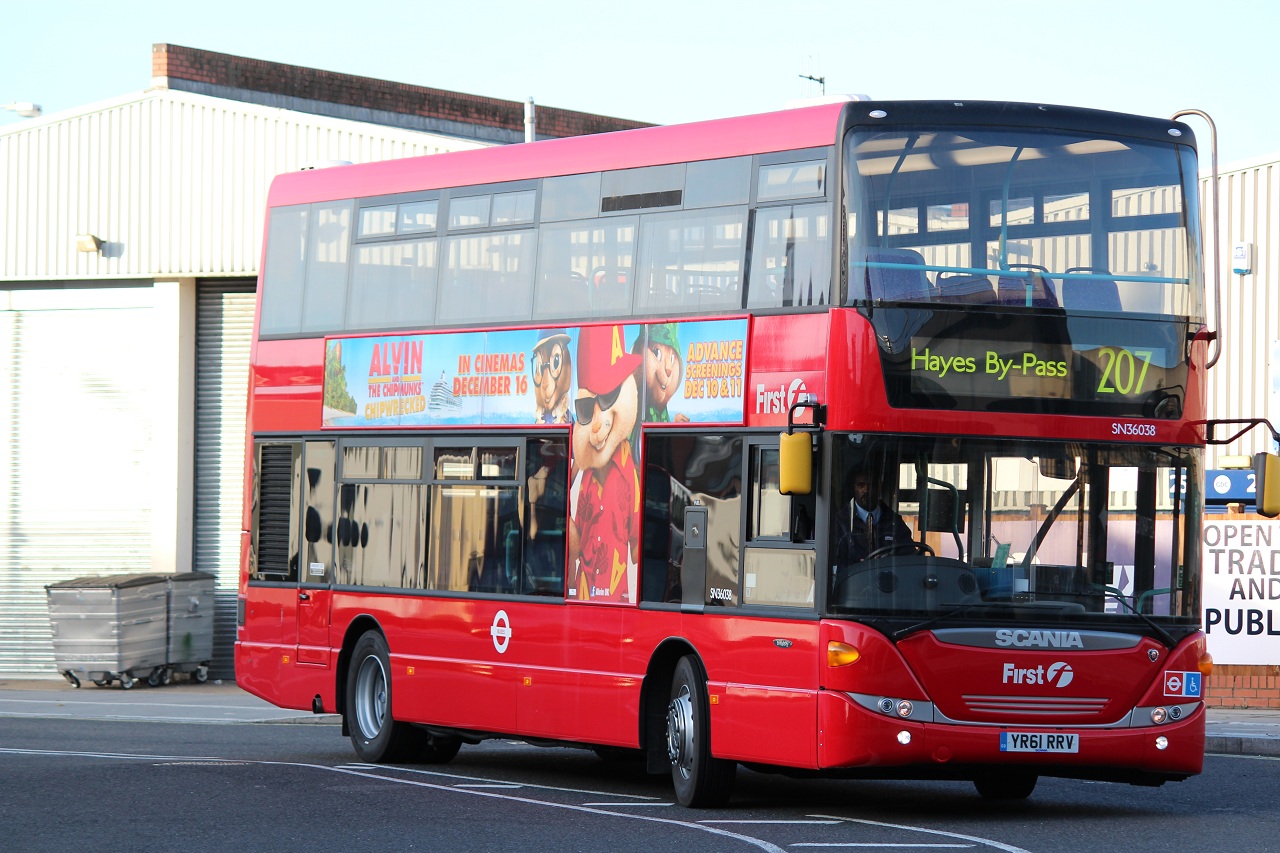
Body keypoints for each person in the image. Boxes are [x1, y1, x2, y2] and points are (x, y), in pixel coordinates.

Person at [832, 464, 914, 564]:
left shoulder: (895, 522)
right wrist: (857, 564)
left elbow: (909, 557)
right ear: (853, 488)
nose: (866, 490)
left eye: (872, 485)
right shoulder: (841, 522)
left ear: (879, 488)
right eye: (861, 485)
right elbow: (834, 561)